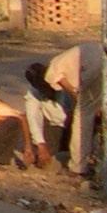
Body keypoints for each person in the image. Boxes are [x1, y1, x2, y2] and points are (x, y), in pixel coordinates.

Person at [43, 42, 103, 173]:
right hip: (100, 54)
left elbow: (71, 89)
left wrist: (78, 97)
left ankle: (78, 166)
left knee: (82, 118)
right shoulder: (60, 60)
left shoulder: (53, 72)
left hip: (93, 67)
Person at [22, 62, 71, 167]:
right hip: (56, 125)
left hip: (76, 120)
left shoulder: (64, 79)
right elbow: (33, 117)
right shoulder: (34, 92)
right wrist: (41, 145)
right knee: (40, 160)